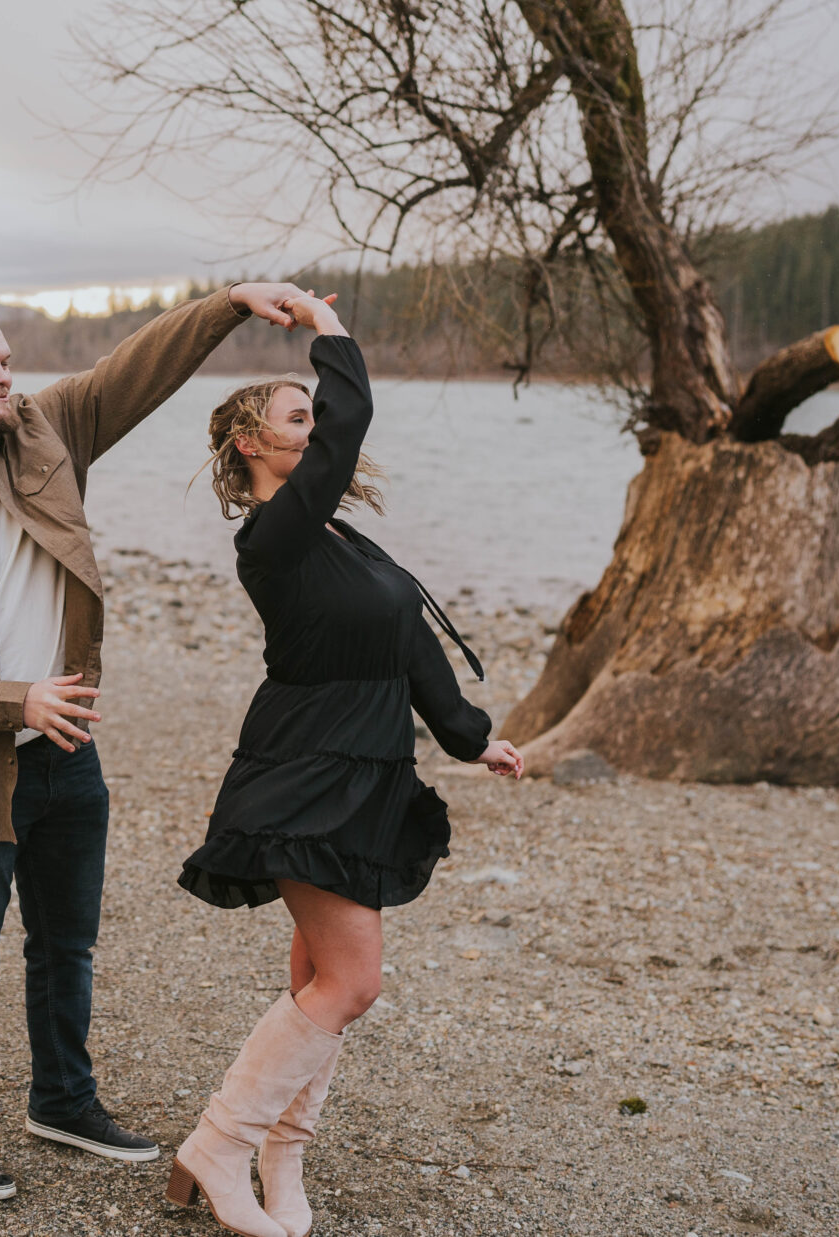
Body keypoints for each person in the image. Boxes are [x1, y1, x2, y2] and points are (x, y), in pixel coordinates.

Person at [0, 284, 314, 1202]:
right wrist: (17, 697)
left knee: (67, 944)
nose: (6, 373)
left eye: (7, 357)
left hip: (67, 750)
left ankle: (63, 1099)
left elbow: (137, 370)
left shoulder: (45, 433)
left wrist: (228, 305)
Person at [166, 292, 524, 1237]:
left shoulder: (338, 539)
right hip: (306, 767)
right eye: (298, 415)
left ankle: (281, 1157)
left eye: (313, 411)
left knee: (317, 980)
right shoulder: (276, 536)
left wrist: (466, 734)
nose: (319, 425)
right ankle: (218, 1144)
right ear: (252, 444)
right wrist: (328, 330)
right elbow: (351, 417)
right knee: (353, 981)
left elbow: (405, 637)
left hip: (371, 768)